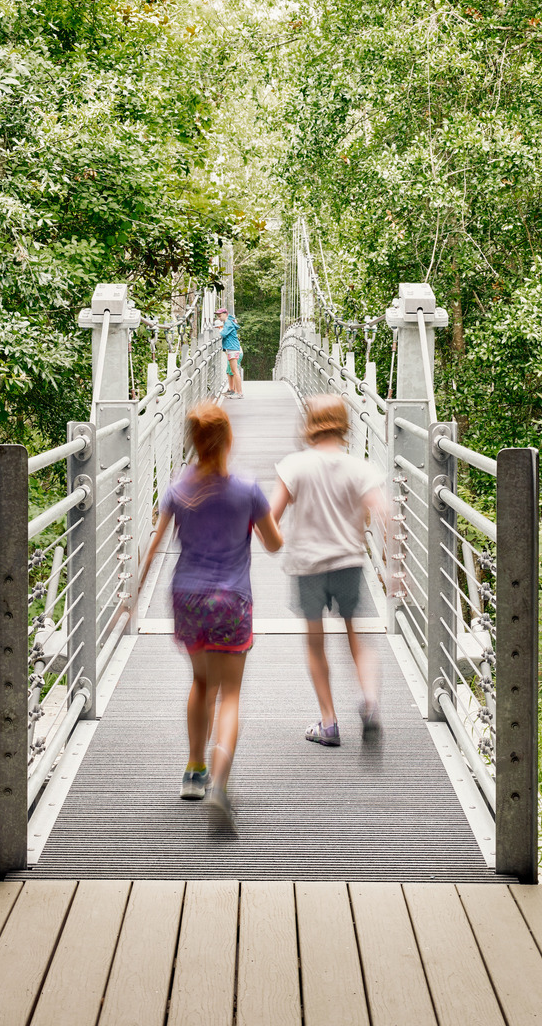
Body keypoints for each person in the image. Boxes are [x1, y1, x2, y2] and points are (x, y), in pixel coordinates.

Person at [137, 399, 281, 832]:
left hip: (188, 599)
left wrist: (132, 595)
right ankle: (219, 784)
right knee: (230, 695)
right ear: (228, 440)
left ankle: (193, 772)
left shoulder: (178, 490)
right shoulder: (248, 489)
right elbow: (274, 544)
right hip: (231, 600)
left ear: (193, 441)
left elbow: (156, 544)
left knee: (201, 683)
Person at [268, 395, 386, 746]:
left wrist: (276, 540)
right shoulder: (359, 468)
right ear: (344, 424)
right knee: (356, 638)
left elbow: (270, 519)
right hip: (349, 563)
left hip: (307, 567)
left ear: (309, 425)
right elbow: (387, 514)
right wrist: (394, 567)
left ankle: (329, 723)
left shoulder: (293, 466)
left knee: (315, 644)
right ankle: (369, 700)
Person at [216, 305, 245, 396]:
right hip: (232, 348)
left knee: (235, 372)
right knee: (233, 371)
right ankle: (236, 392)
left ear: (225, 314)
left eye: (220, 315)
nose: (219, 318)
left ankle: (239, 393)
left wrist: (219, 330)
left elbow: (223, 334)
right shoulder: (228, 322)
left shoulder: (228, 323)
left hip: (233, 349)